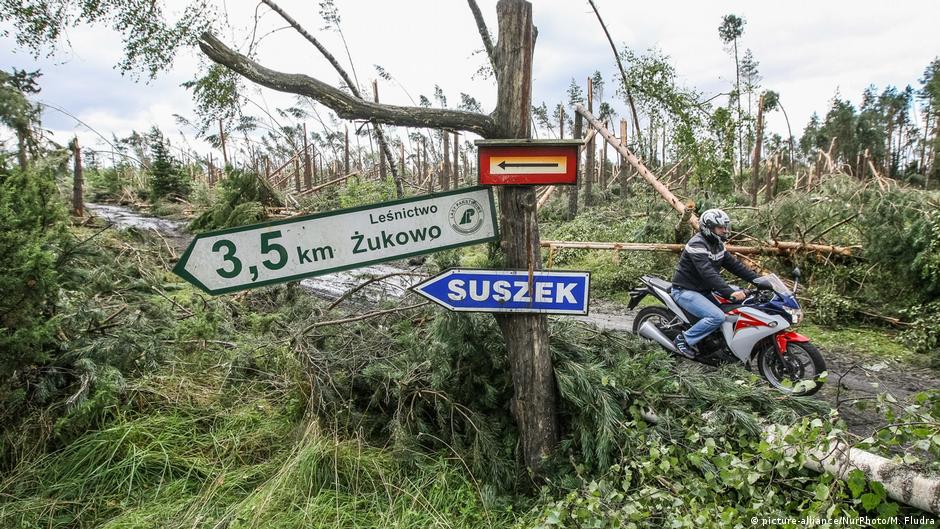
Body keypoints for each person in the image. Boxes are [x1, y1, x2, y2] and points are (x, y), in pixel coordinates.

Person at [670, 208, 759, 359]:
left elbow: (736, 266)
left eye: (725, 227)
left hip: (704, 291)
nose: (725, 231)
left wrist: (759, 281)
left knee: (739, 307)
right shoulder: (697, 244)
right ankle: (683, 340)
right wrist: (729, 293)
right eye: (720, 227)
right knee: (717, 317)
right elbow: (708, 273)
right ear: (708, 228)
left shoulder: (717, 245)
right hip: (685, 290)